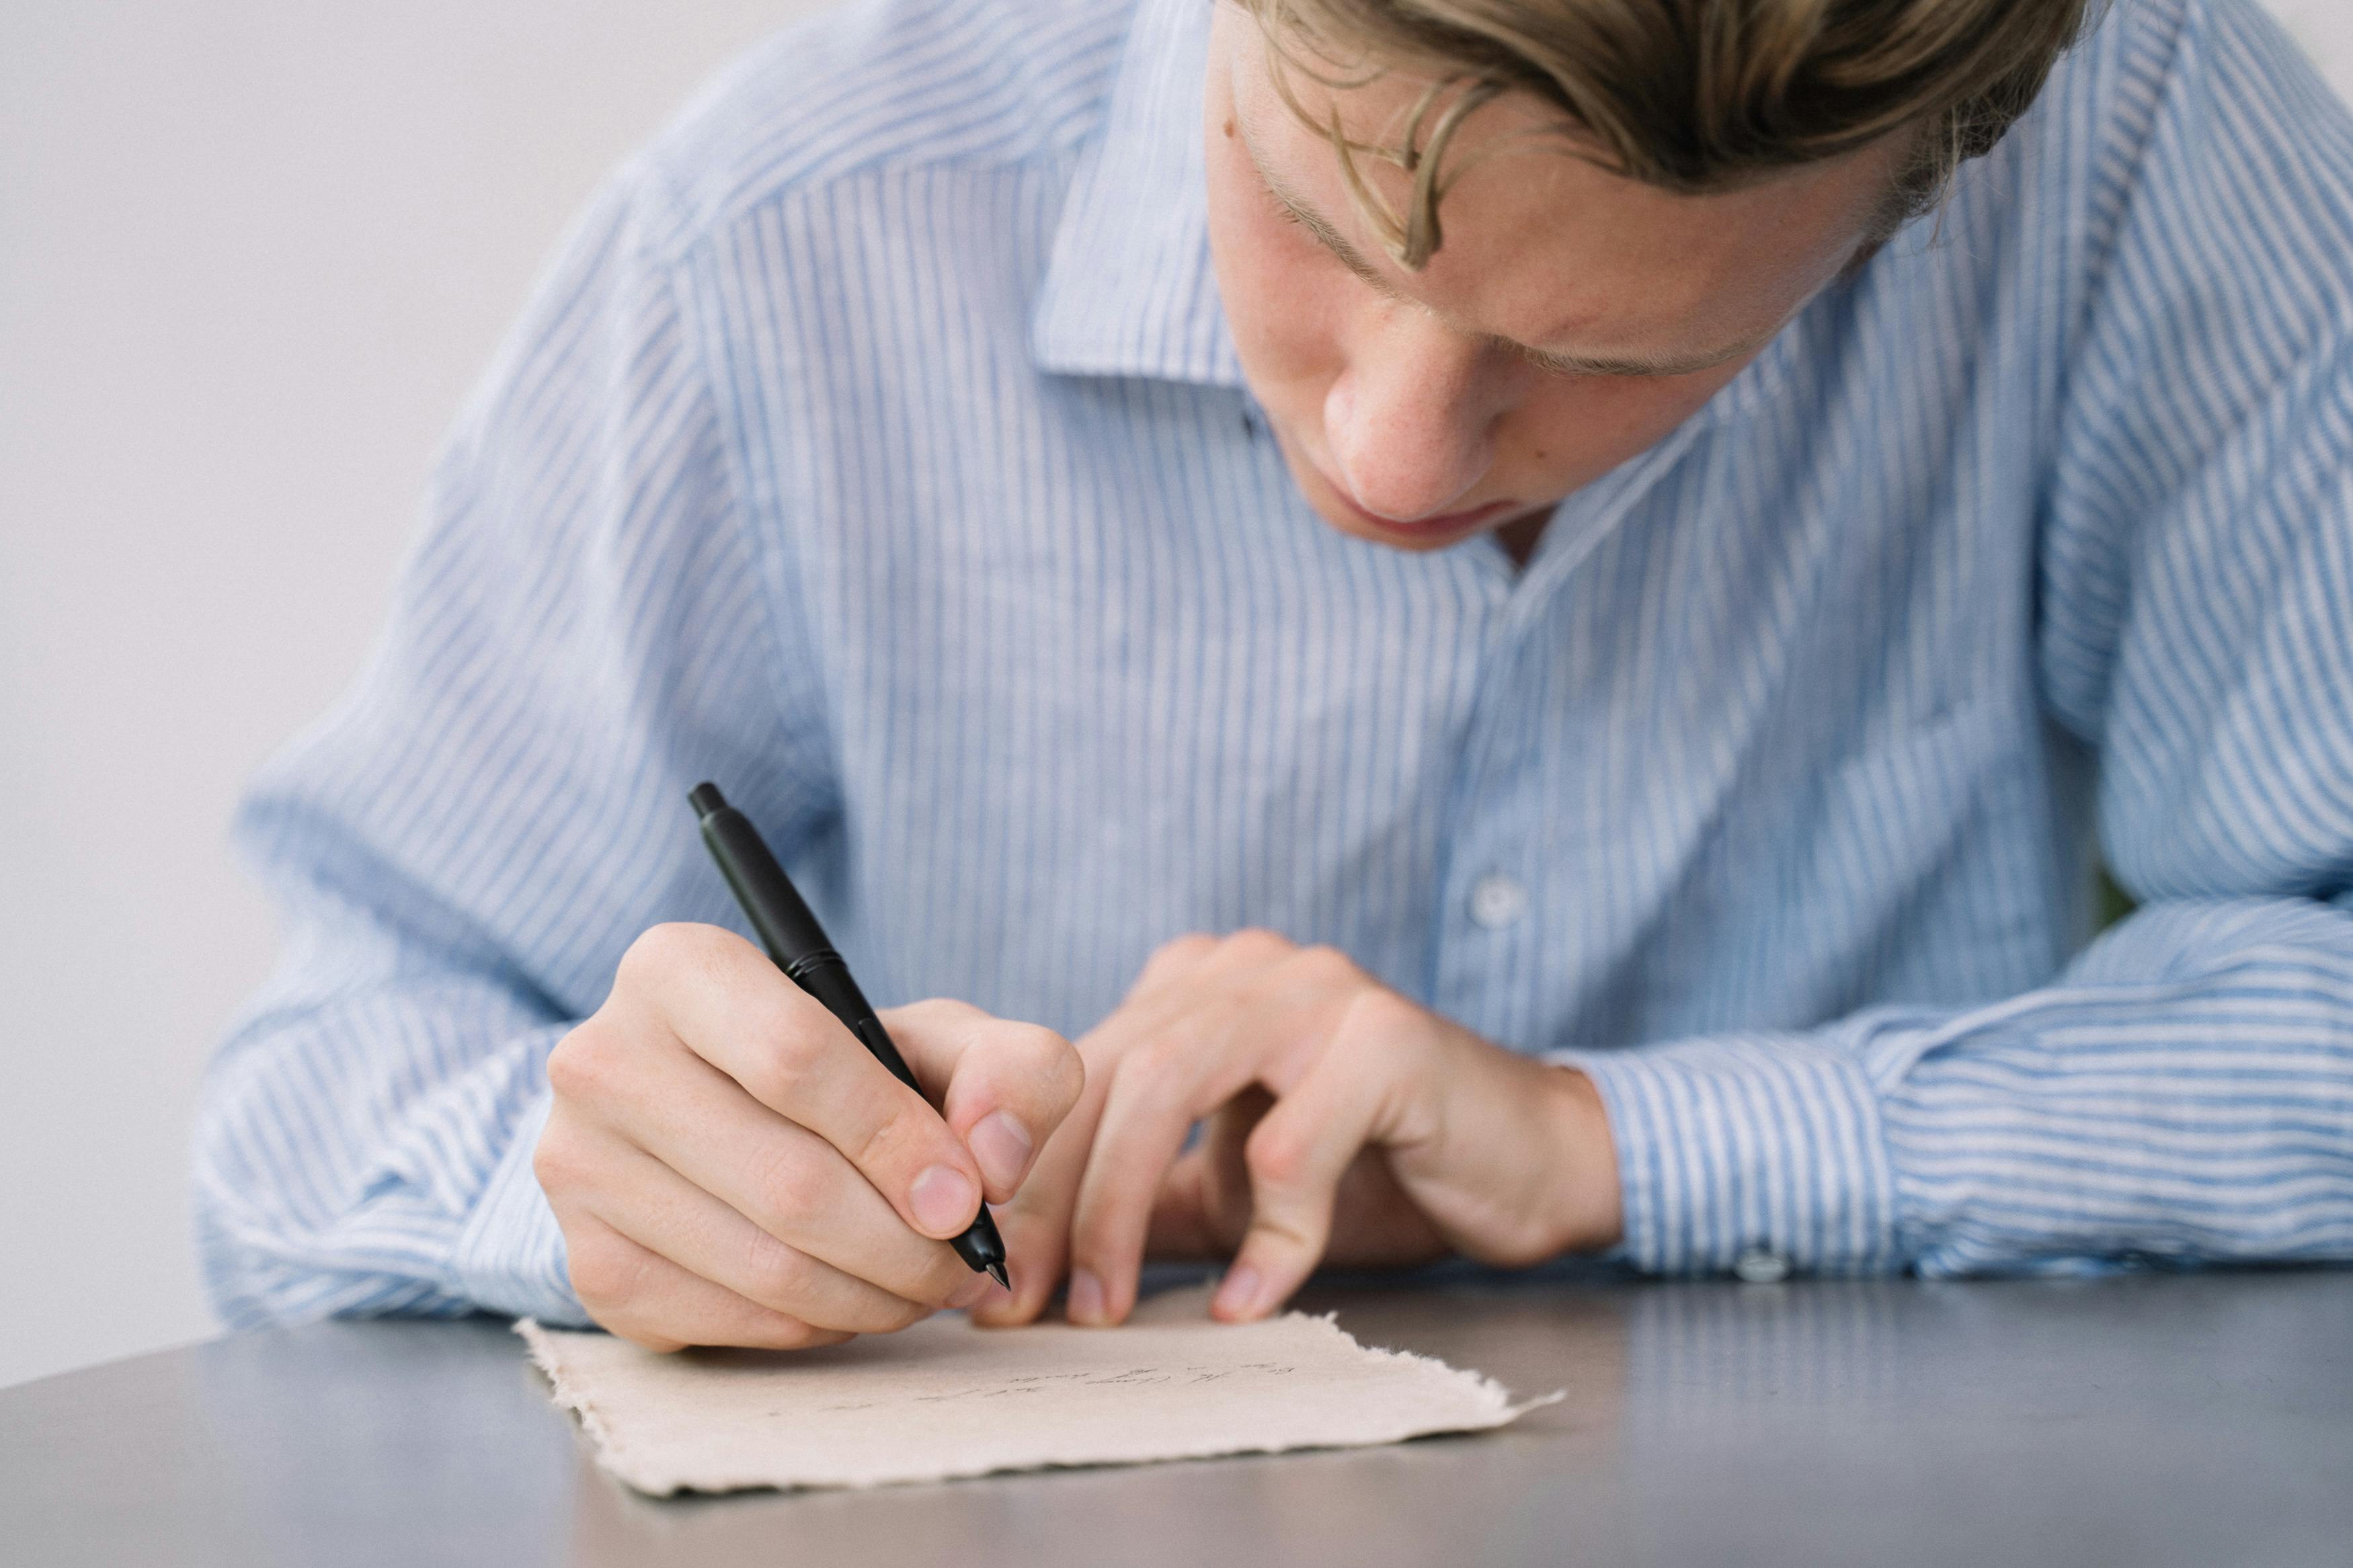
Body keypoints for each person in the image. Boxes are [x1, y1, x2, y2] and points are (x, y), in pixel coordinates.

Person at [194, 0, 2353, 1354]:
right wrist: (599, 1188)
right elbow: (311, 1085)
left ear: (1915, 204)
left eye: (1620, 352)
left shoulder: (2137, 145)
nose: (1387, 449)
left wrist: (1605, 1145)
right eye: (1315, 217)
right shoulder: (784, 247)